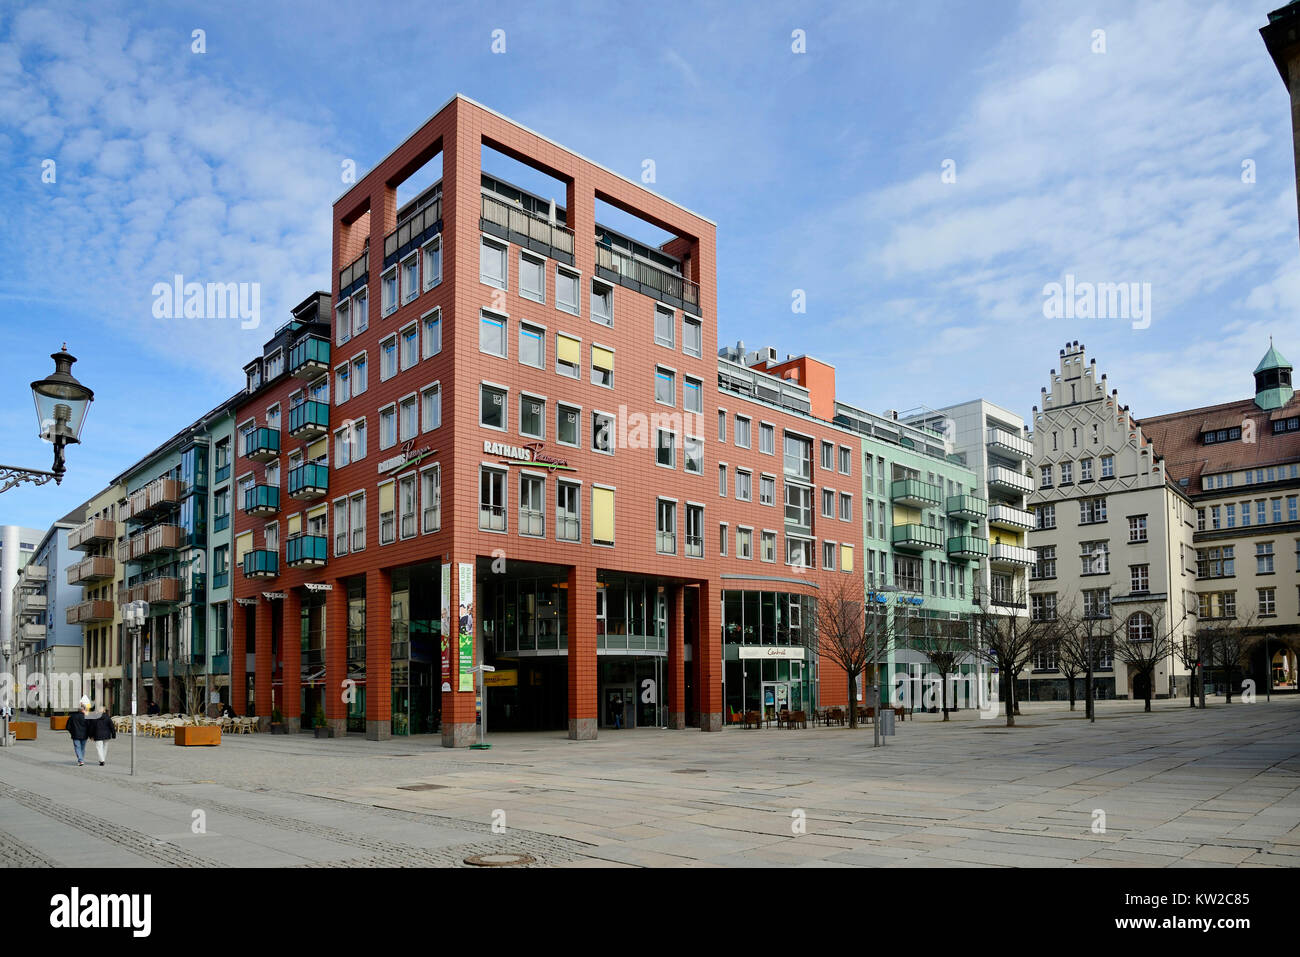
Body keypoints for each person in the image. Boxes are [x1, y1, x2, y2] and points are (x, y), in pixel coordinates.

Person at [67, 698, 91, 766]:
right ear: (83, 710)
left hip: (75, 735)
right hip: (84, 735)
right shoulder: (86, 717)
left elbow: (68, 727)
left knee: (77, 747)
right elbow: (89, 726)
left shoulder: (72, 717)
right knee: (82, 747)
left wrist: (72, 732)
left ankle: (81, 760)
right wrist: (90, 734)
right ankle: (81, 760)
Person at [91, 701, 115, 766]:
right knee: (105, 747)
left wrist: (91, 735)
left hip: (98, 735)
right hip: (106, 735)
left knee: (99, 748)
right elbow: (112, 726)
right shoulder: (108, 717)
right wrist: (113, 734)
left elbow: (92, 727)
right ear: (104, 710)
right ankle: (102, 759)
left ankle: (102, 760)